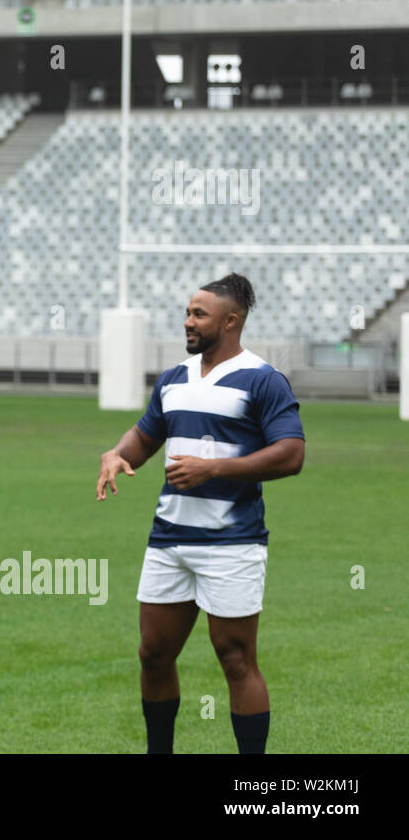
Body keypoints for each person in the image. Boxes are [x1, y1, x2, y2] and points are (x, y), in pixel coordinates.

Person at [95, 273, 305, 754]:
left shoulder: (263, 380)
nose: (187, 322)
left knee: (235, 659)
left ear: (230, 321)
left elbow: (291, 454)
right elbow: (145, 437)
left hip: (232, 544)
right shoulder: (174, 379)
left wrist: (215, 469)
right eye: (188, 312)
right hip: (169, 541)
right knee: (153, 654)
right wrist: (116, 453)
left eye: (198, 314)